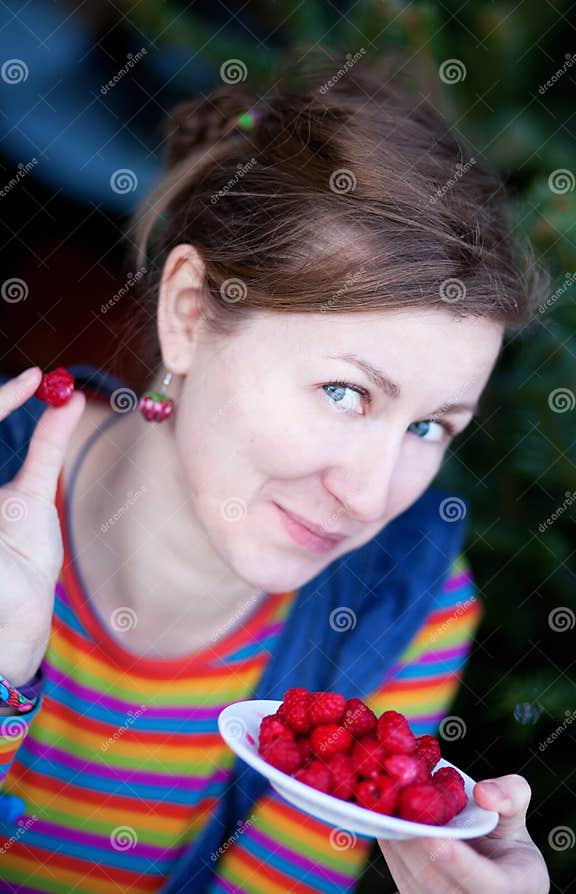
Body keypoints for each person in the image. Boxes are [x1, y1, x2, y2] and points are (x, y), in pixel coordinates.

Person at [0, 53, 550, 893]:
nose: (370, 498)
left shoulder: (406, 602)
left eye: (432, 426)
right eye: (345, 391)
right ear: (189, 314)